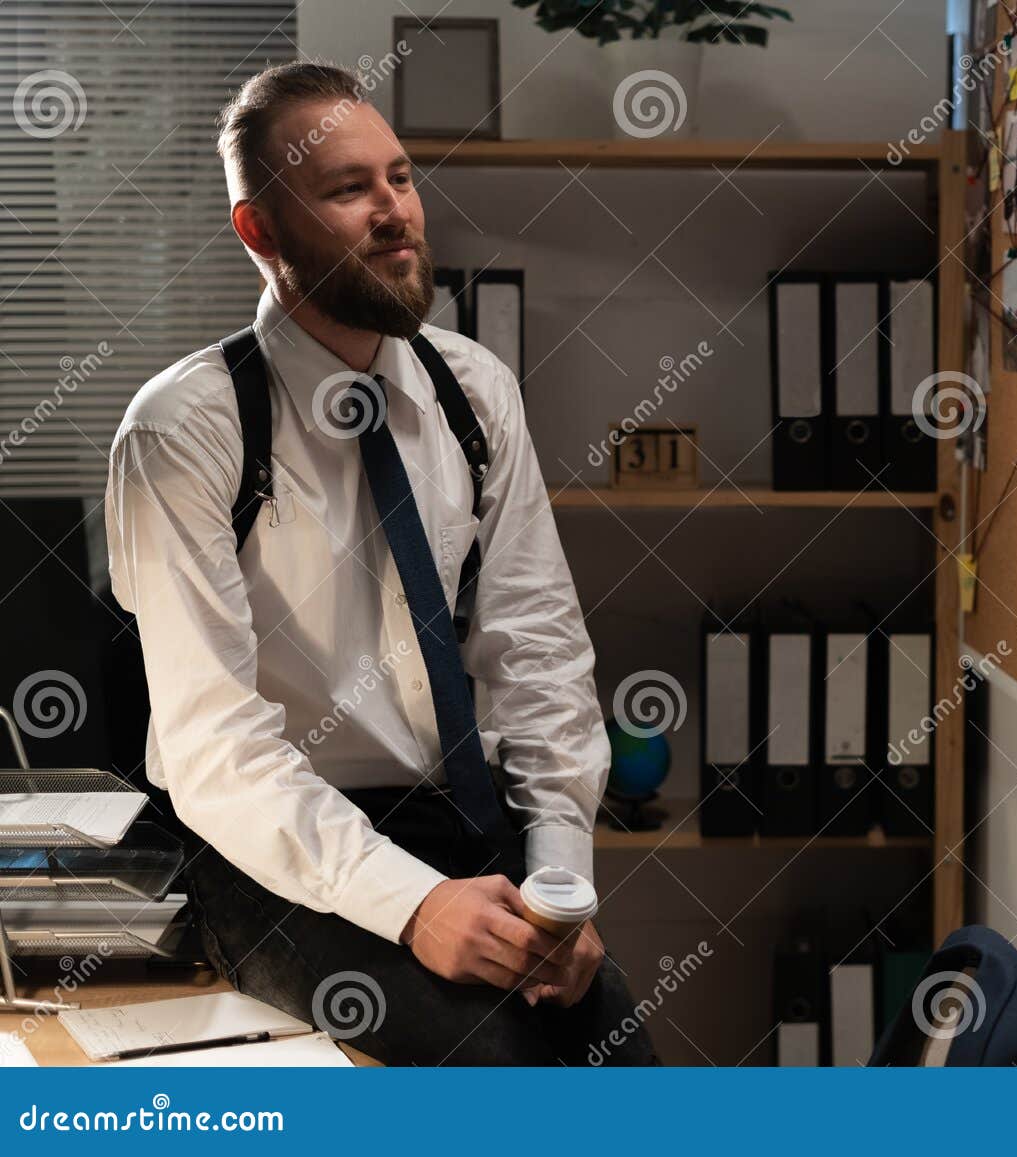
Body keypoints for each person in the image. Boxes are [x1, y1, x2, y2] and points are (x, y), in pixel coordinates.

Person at [103, 61, 656, 1066]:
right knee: (494, 1074)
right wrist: (415, 906)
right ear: (260, 232)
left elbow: (537, 651)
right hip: (266, 849)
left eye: (399, 177)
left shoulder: (473, 390)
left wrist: (559, 881)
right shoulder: (186, 430)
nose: (394, 212)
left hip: (460, 817)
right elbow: (214, 747)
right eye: (346, 188)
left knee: (621, 1069)